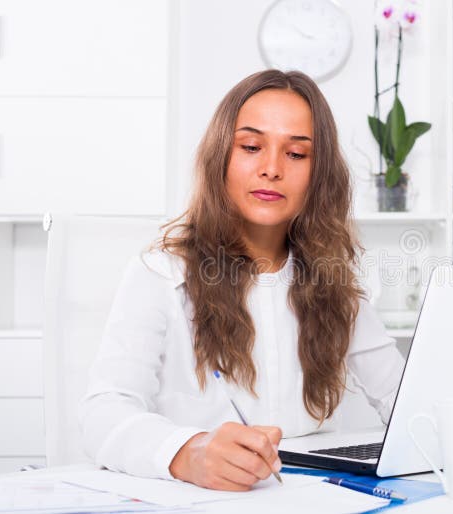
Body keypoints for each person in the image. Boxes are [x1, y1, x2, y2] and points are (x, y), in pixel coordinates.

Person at [80, 70, 406, 491]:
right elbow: (103, 413)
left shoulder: (335, 284)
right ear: (222, 157)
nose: (271, 169)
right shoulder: (162, 274)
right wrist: (186, 452)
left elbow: (405, 403)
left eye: (296, 154)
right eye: (251, 147)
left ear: (318, 174)